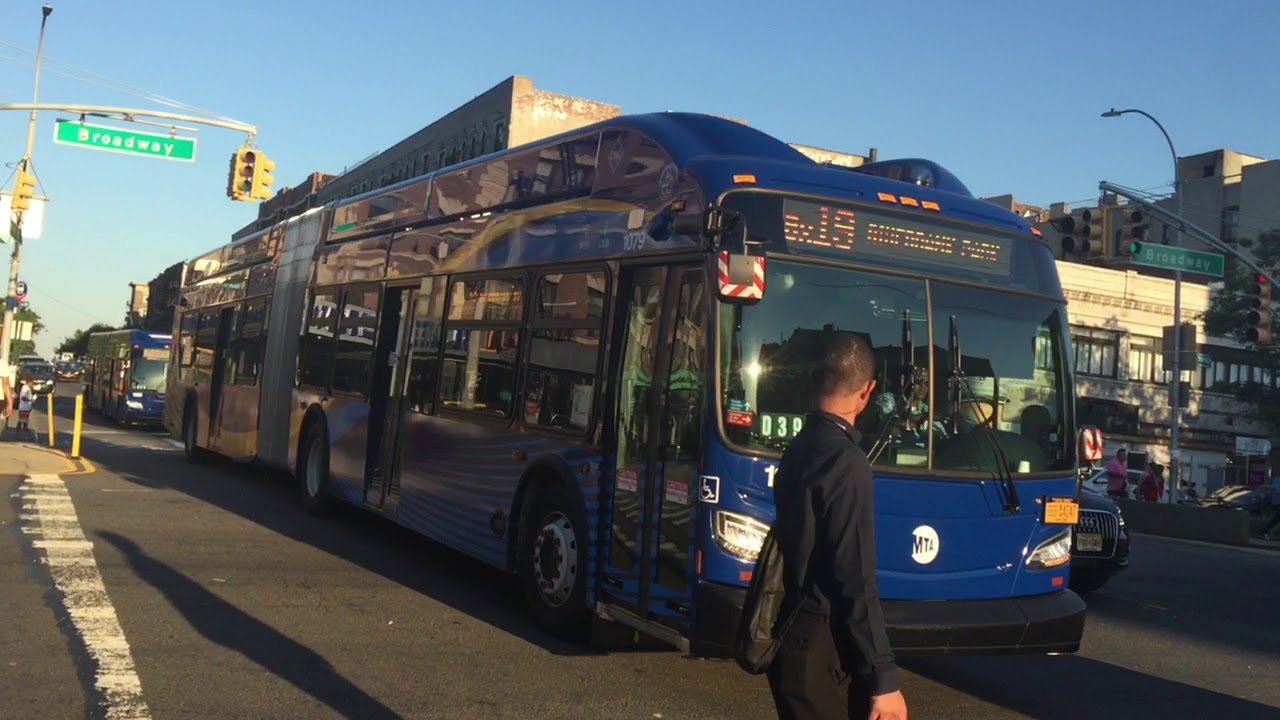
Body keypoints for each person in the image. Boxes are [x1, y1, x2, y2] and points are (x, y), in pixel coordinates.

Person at [769, 332, 907, 720]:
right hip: (824, 647)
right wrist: (884, 679)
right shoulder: (846, 461)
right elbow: (856, 578)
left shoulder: (801, 446)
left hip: (794, 633)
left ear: (815, 380)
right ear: (868, 391)